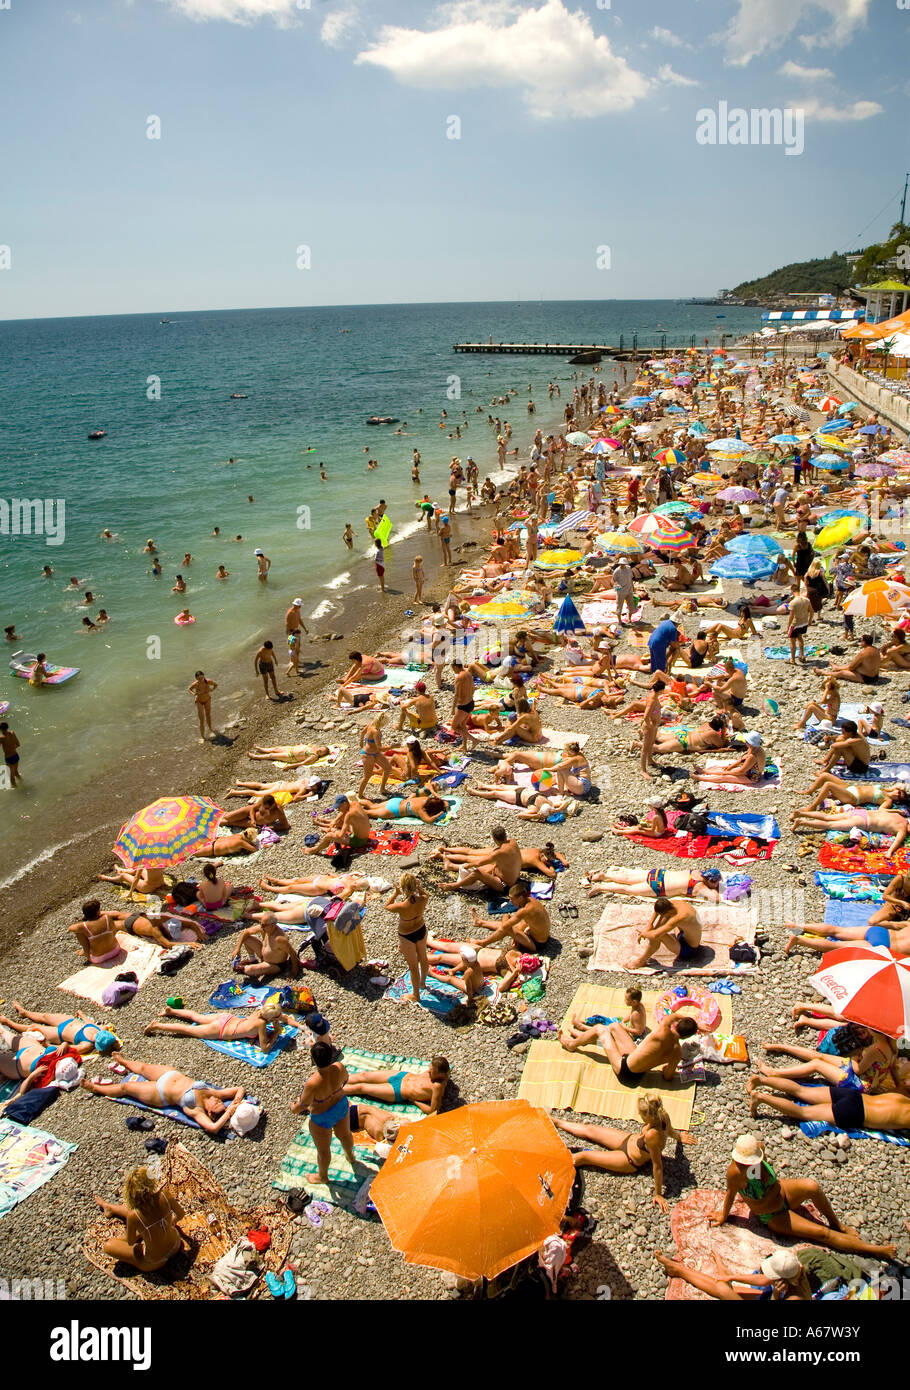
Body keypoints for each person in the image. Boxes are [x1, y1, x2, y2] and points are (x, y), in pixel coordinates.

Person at [712, 1133, 896, 1258]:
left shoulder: (759, 1150)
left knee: (812, 1186)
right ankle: (876, 1250)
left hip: (782, 1192)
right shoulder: (735, 1173)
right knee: (822, 1233)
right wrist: (723, 1215)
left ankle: (837, 1223)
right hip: (773, 1215)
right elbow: (730, 1194)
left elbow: (763, 1170)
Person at [554, 1093, 695, 1211]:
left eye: (641, 1114)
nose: (639, 1115)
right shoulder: (662, 1115)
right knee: (590, 1129)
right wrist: (679, 1137)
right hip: (629, 1141)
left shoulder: (652, 1136)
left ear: (649, 1116)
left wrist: (658, 1194)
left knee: (584, 1157)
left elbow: (657, 1166)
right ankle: (557, 1122)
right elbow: (670, 1131)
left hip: (628, 1160)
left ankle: (551, 1167)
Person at [82, 1055, 246, 1135]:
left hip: (159, 1093)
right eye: (220, 1101)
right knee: (144, 1068)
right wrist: (235, 1102)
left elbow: (213, 1128)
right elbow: (239, 1088)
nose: (217, 1100)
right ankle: (123, 1061)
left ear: (209, 1112)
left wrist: (229, 1112)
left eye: (217, 1104)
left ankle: (97, 1089)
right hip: (171, 1074)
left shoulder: (196, 1110)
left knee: (126, 1087)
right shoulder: (213, 1093)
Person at [558, 1012, 697, 1085]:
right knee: (614, 1026)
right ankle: (585, 1037)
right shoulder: (677, 1052)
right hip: (638, 1069)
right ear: (687, 1036)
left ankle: (572, 1045)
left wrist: (693, 1021)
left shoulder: (663, 1030)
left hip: (625, 1070)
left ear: (677, 1024)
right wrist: (665, 1068)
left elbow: (674, 1016)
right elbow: (667, 1076)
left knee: (601, 1029)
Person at [93, 1167, 187, 1273]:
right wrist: (171, 1221)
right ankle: (109, 1207)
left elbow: (131, 1242)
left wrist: (140, 1233)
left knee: (109, 1246)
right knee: (141, 1213)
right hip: (175, 1246)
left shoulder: (134, 1216)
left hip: (155, 1261)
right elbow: (180, 1214)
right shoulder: (164, 1195)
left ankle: (141, 1230)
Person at [653, 1247, 812, 1302]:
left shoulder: (794, 1298)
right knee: (725, 1283)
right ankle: (678, 1270)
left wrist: (776, 1296)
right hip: (773, 1296)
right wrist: (731, 1277)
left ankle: (678, 1270)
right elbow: (764, 1279)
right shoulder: (797, 1270)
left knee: (723, 1290)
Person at [144, 997, 289, 1051]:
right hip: (222, 1029)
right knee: (188, 1030)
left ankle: (172, 1011)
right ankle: (157, 1026)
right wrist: (276, 1032)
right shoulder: (261, 1024)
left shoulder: (260, 1011)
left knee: (197, 1017)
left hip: (227, 1018)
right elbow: (265, 1048)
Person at [343, 1056, 451, 1115]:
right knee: (364, 1075)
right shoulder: (441, 1071)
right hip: (401, 1076)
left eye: (432, 1071)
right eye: (430, 1068)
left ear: (440, 1074)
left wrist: (415, 1101)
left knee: (362, 1087)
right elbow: (445, 1067)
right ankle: (337, 1079)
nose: (428, 1071)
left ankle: (332, 1090)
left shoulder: (438, 1086)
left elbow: (433, 1111)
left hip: (398, 1090)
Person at [2, 1004, 118, 1055]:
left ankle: (8, 1022)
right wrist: (82, 1014)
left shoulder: (87, 1045)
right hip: (69, 1021)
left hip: (60, 1034)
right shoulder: (98, 1029)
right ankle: (25, 1012)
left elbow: (68, 1048)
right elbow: (89, 1022)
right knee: (45, 1016)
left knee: (33, 1028)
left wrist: (47, 1046)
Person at [468, 880, 551, 950]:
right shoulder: (531, 900)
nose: (510, 901)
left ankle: (483, 943)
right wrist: (518, 935)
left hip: (538, 944)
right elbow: (530, 921)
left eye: (512, 899)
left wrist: (506, 918)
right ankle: (480, 922)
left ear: (520, 898)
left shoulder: (525, 910)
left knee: (507, 928)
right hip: (538, 934)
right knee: (513, 926)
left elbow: (505, 927)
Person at [384, 872, 429, 1003]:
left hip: (407, 935)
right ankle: (422, 983)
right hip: (421, 929)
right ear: (415, 886)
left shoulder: (401, 906)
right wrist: (419, 887)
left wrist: (395, 894)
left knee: (413, 966)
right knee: (423, 957)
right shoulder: (423, 899)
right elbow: (424, 894)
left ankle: (416, 995)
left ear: (403, 888)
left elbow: (387, 906)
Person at [435, 826, 522, 893]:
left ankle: (454, 886)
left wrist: (467, 865)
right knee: (486, 866)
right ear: (505, 835)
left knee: (477, 873)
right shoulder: (512, 842)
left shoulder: (499, 852)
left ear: (494, 839)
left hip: (504, 884)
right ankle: (451, 866)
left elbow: (478, 862)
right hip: (509, 877)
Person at [587, 865, 722, 901]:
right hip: (658, 886)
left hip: (658, 873)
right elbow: (715, 898)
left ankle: (604, 875)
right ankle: (601, 887)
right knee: (629, 890)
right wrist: (715, 889)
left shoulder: (696, 872)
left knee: (628, 878)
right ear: (711, 881)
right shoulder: (699, 887)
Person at [105, 906, 208, 952]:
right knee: (112, 925)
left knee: (116, 914)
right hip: (130, 924)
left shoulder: (163, 919)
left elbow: (191, 924)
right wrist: (189, 943)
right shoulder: (156, 929)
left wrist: (199, 933)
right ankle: (96, 919)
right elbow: (168, 944)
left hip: (139, 916)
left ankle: (96, 914)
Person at [232, 912, 300, 979]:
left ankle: (250, 967)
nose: (261, 927)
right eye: (260, 924)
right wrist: (237, 948)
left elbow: (293, 953)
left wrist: (294, 972)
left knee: (248, 970)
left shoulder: (279, 939)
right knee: (247, 939)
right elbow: (246, 932)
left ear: (272, 925)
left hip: (274, 965)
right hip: (264, 956)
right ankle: (252, 960)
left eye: (263, 925)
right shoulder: (265, 928)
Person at [188, 671, 217, 742]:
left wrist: (212, 690)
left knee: (208, 715)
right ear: (196, 678)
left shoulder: (208, 681)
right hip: (199, 701)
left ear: (204, 676)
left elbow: (215, 685)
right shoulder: (195, 684)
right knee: (201, 719)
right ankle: (203, 737)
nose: (200, 680)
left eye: (201, 678)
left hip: (207, 700)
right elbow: (189, 689)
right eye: (198, 679)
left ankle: (211, 730)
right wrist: (194, 694)